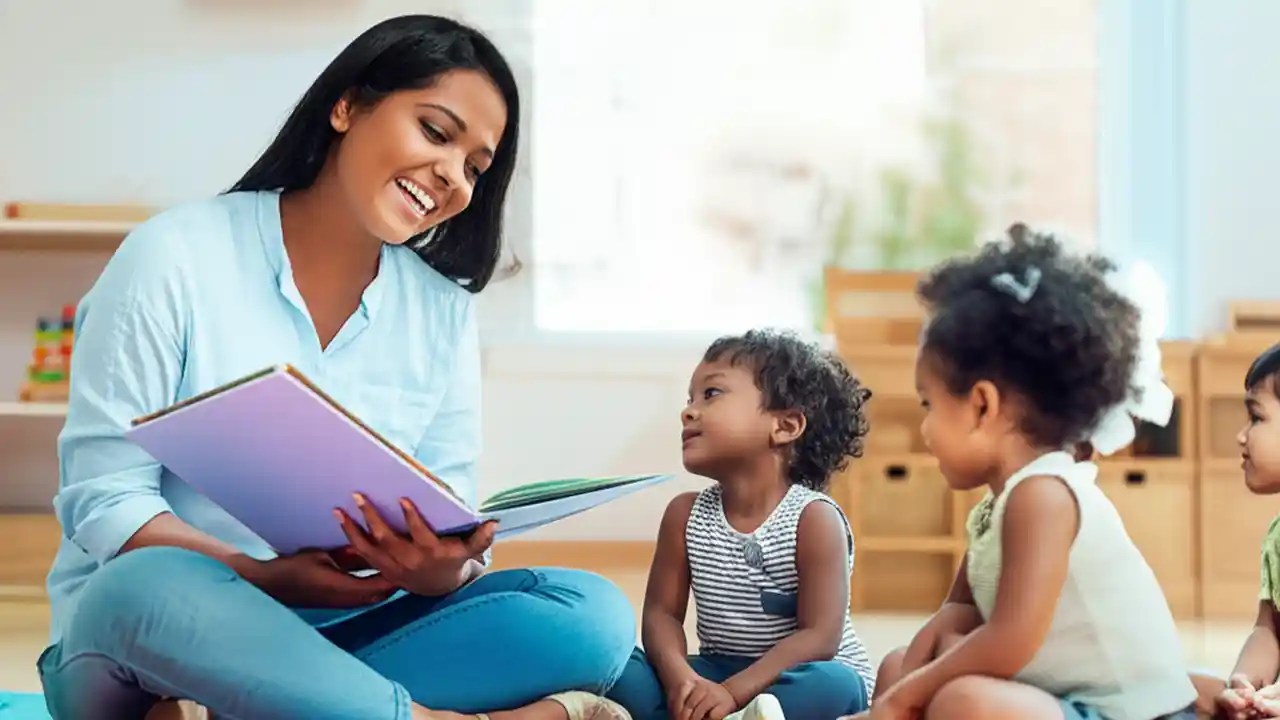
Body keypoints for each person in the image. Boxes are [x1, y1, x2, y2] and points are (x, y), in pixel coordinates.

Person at [39, 15, 634, 720]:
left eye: (476, 166)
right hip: (167, 630)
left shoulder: (442, 310)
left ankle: (280, 708)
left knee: (592, 614)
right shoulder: (173, 256)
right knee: (138, 589)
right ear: (347, 105)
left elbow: (450, 499)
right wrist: (263, 576)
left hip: (343, 638)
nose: (452, 175)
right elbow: (106, 501)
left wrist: (446, 569)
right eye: (436, 132)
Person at [856, 226, 1197, 720]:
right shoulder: (1004, 502)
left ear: (980, 406)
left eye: (929, 404)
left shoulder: (1045, 495)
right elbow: (958, 613)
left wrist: (907, 698)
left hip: (1132, 714)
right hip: (1062, 697)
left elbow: (1010, 641)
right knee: (897, 666)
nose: (925, 429)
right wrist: (901, 685)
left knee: (961, 702)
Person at [606, 329, 876, 720]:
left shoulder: (813, 519)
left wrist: (733, 694)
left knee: (836, 684)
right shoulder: (685, 515)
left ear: (784, 426)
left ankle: (736, 713)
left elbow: (820, 637)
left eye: (711, 394)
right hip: (717, 673)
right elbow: (661, 615)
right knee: (618, 664)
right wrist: (683, 681)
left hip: (789, 676)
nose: (689, 411)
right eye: (690, 399)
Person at [1213, 343, 1280, 719]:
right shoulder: (1277, 534)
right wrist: (1246, 683)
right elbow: (1268, 630)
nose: (1241, 435)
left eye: (1256, 418)